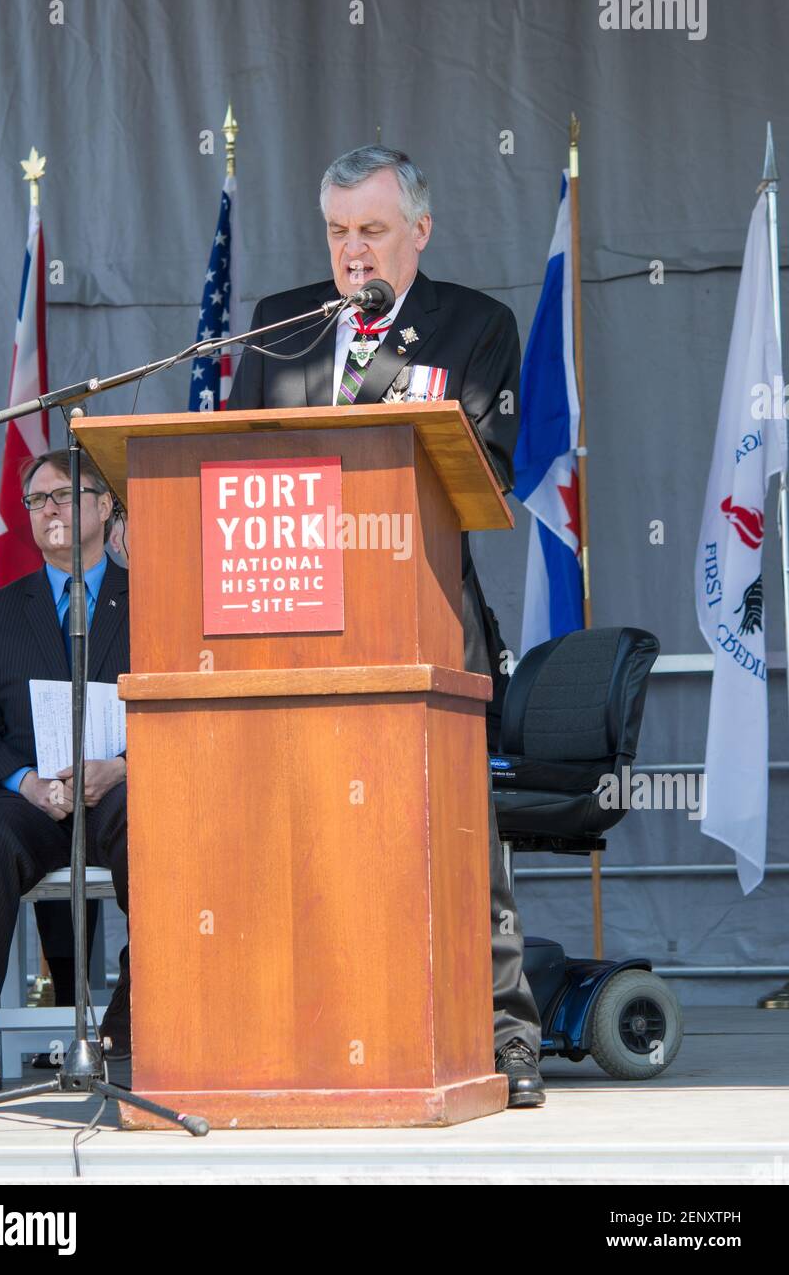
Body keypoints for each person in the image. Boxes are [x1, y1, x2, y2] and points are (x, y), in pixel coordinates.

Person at [228, 144, 545, 1105]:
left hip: (422, 613)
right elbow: (237, 458)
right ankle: (315, 1021)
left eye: (372, 230)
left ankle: (504, 1029)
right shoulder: (280, 322)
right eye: (337, 232)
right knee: (302, 832)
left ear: (420, 231)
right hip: (291, 618)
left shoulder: (476, 325)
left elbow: (484, 471)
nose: (353, 252)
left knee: (453, 834)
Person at [0, 450, 130, 1096]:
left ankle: (131, 1006)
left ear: (106, 506)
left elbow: (183, 709)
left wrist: (121, 767)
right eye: (36, 499)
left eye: (65, 494)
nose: (48, 508)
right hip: (31, 797)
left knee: (161, 832)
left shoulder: (153, 598)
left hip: (122, 787)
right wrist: (25, 782)